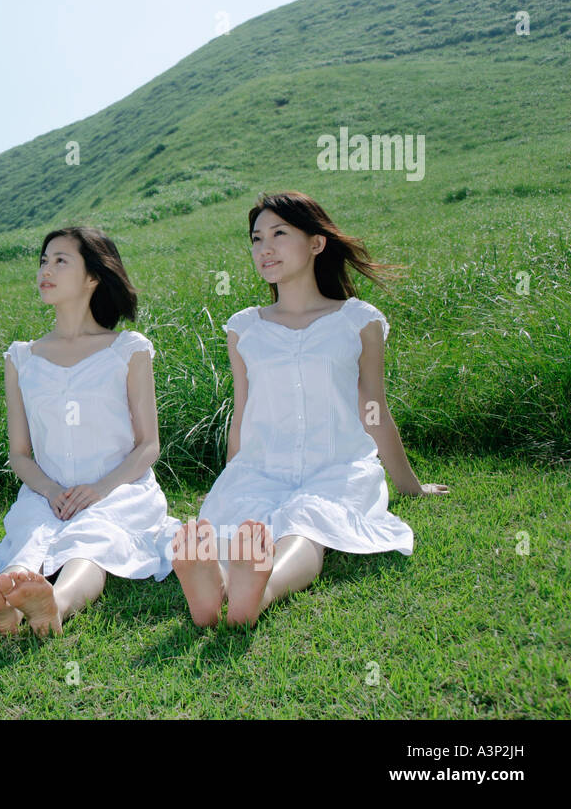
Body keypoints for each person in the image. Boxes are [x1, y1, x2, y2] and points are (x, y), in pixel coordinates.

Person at [171, 191, 449, 628]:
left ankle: (259, 594)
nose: (265, 247)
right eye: (257, 238)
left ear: (316, 243)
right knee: (237, 525)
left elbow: (373, 407)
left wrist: (410, 486)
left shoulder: (358, 320)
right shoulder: (246, 328)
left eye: (280, 234)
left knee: (306, 524)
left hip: (336, 468)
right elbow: (241, 412)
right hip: (262, 466)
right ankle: (216, 587)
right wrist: (231, 480)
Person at [0, 225, 182, 636]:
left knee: (91, 544)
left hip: (119, 489)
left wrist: (98, 489)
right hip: (47, 491)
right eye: (43, 260)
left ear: (93, 276)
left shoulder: (127, 349)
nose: (46, 269)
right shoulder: (22, 357)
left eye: (61, 260)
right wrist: (50, 491)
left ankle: (54, 605)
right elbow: (20, 453)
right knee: (30, 540)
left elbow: (148, 445)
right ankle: (6, 604)